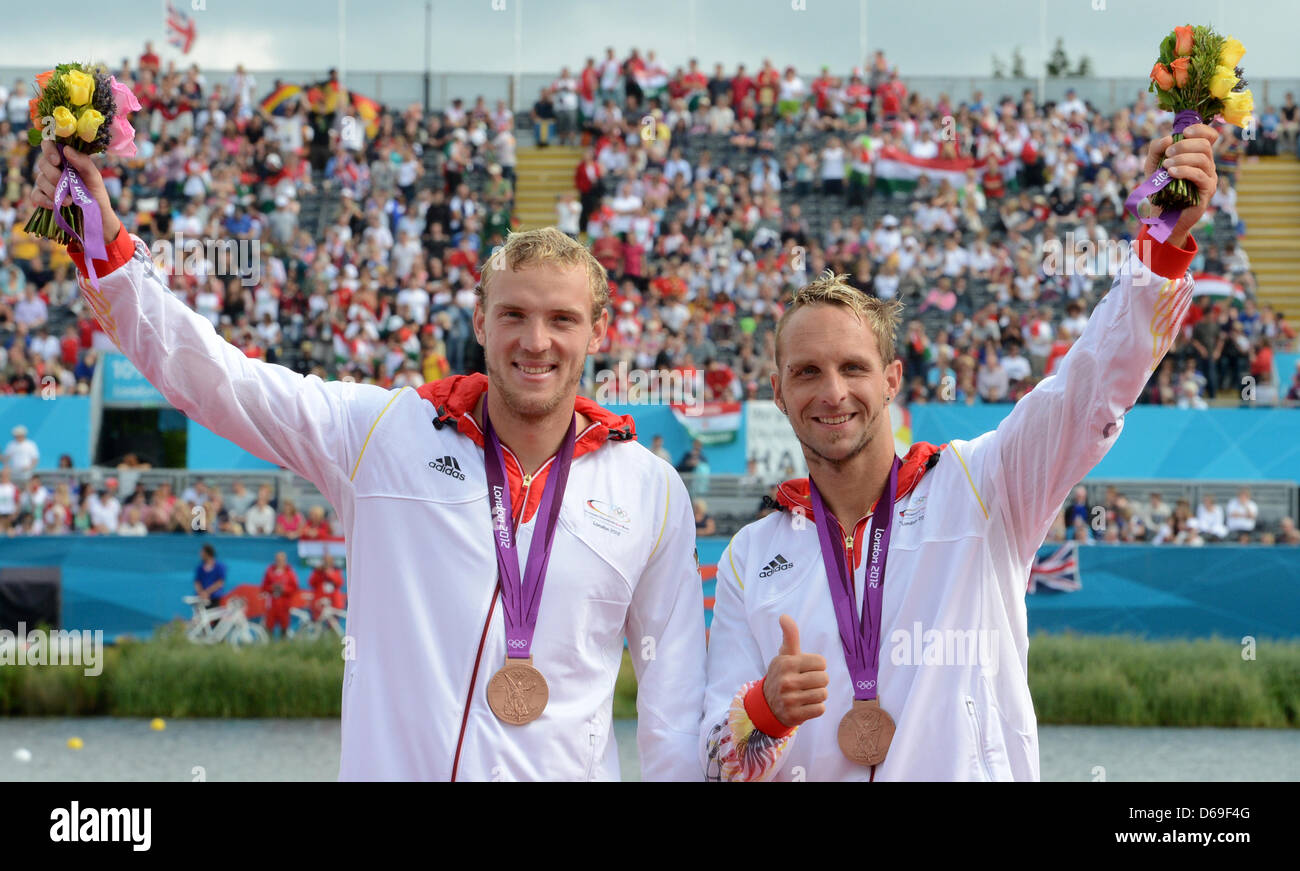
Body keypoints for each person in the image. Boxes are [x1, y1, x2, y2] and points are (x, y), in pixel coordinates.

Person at [36, 140, 704, 781]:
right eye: (513, 315)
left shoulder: (650, 491)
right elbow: (219, 381)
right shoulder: (382, 434)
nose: (536, 341)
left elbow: (674, 710)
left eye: (562, 319)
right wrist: (108, 252)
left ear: (600, 329)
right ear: (478, 322)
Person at [700, 124, 1219, 780]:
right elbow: (717, 763)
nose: (833, 392)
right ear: (778, 391)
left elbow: (1090, 384)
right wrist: (765, 710)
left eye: (853, 368)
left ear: (891, 379)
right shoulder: (752, 554)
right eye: (807, 372)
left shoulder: (984, 485)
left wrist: (1162, 243)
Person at [261, 551, 300, 638]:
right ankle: (268, 644)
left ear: (285, 561)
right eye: (278, 560)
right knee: (269, 625)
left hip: (284, 603)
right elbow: (264, 586)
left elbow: (295, 588)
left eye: (282, 560)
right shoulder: (270, 571)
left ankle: (283, 645)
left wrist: (284, 589)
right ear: (275, 560)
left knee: (284, 625)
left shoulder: (290, 572)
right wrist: (272, 587)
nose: (280, 562)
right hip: (272, 603)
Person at [308, 553, 347, 619]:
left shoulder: (337, 571)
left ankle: (332, 628)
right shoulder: (318, 572)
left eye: (329, 561)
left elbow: (340, 583)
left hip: (334, 598)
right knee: (317, 616)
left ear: (332, 562)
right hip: (320, 598)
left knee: (335, 615)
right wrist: (318, 572)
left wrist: (330, 574)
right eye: (326, 561)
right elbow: (311, 583)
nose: (328, 563)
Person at [194, 544, 226, 608]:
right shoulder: (200, 567)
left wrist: (207, 592)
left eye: (202, 552)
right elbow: (197, 582)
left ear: (207, 553)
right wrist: (201, 593)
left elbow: (220, 582)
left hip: (215, 598)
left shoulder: (219, 566)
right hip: (201, 599)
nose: (200, 554)